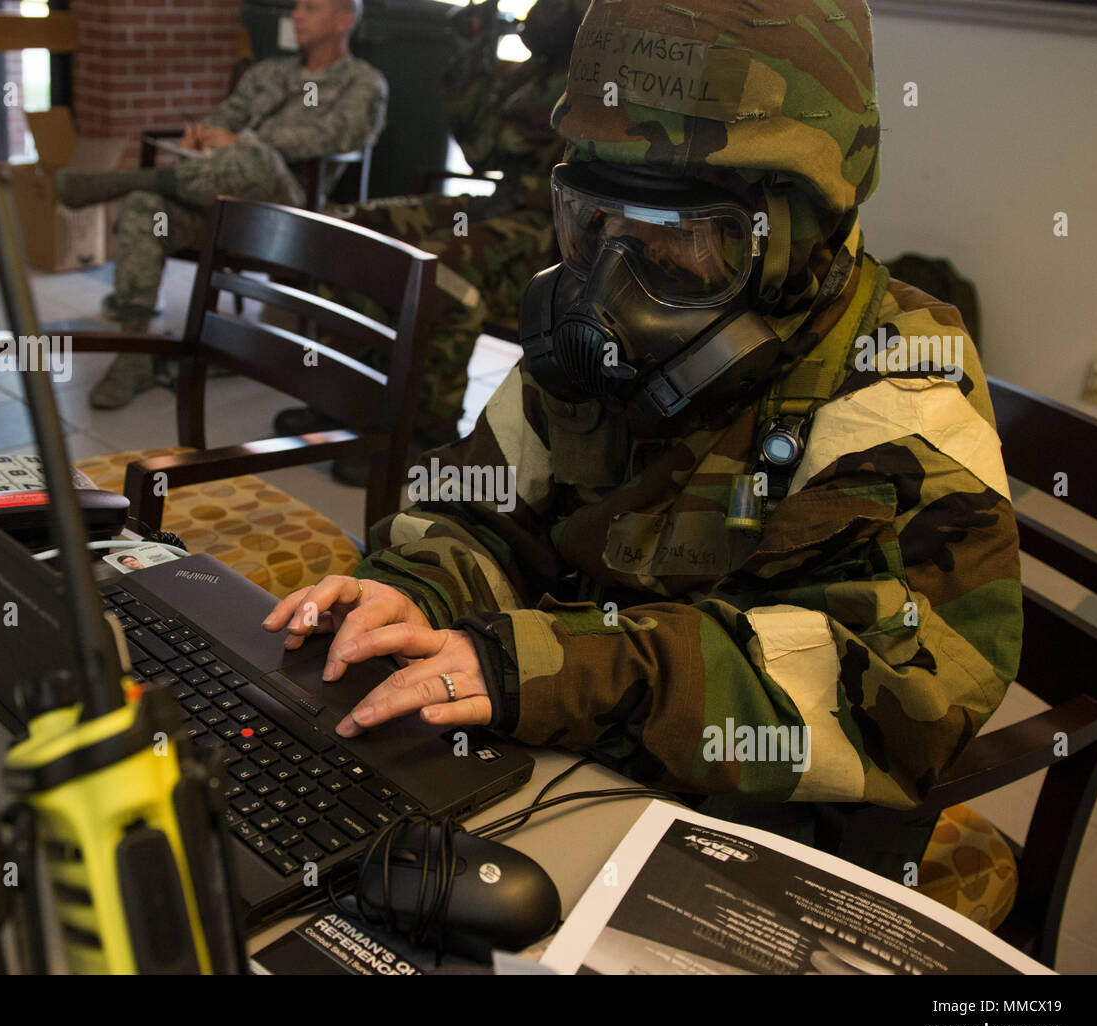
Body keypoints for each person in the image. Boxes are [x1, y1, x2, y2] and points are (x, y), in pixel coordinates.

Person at [262, 0, 1023, 877]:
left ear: (792, 231)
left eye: (679, 236)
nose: (616, 277)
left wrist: (560, 667)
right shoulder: (596, 328)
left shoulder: (899, 378)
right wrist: (416, 593)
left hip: (758, 835)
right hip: (557, 761)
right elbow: (479, 510)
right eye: (595, 220)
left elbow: (898, 697)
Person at [277, 0, 582, 487]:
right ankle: (352, 400)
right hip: (500, 201)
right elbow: (482, 152)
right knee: (351, 229)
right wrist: (469, 59)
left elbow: (550, 159)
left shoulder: (597, 77)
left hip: (556, 224)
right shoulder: (532, 70)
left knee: (439, 268)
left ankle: (426, 433)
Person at [53, 0, 388, 409]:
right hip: (222, 205)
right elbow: (224, 116)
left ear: (344, 19)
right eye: (296, 7)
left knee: (252, 157)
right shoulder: (268, 72)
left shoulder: (363, 82)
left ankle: (124, 180)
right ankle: (134, 353)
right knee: (146, 206)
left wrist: (244, 144)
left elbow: (340, 137)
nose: (296, 15)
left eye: (311, 8)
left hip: (288, 215)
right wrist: (202, 135)